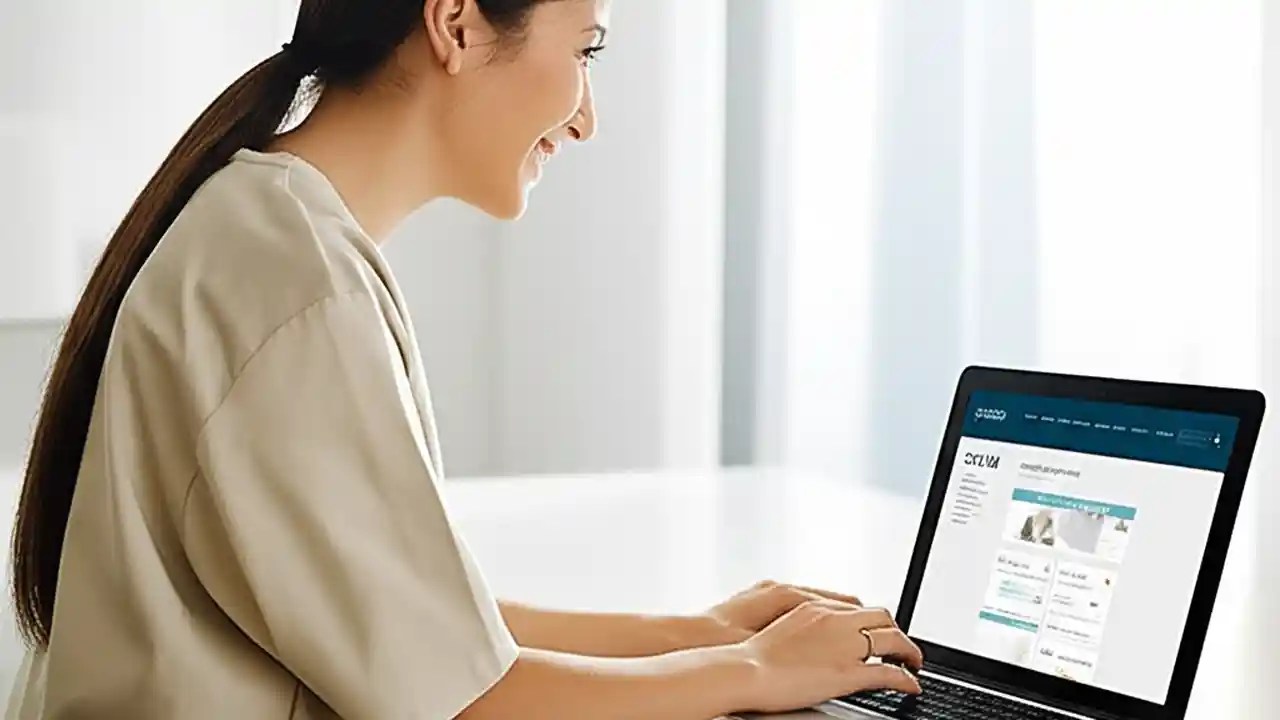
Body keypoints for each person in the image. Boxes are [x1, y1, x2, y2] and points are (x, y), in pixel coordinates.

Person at [6, 1, 922, 718]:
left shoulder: (270, 233)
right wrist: (749, 670)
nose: (588, 119)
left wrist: (695, 633)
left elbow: (421, 630)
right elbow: (463, 701)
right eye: (587, 51)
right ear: (456, 24)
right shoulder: (293, 280)